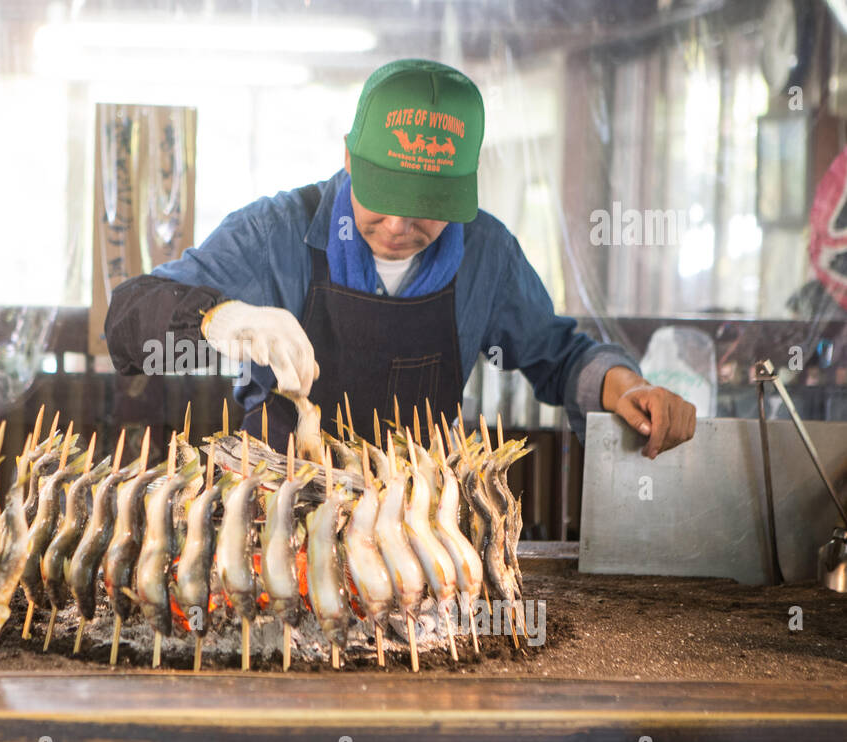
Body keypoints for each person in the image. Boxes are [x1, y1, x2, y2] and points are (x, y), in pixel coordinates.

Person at [105, 58, 696, 458]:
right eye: (381, 200)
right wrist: (222, 317)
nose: (396, 227)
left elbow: (561, 357)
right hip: (273, 509)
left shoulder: (488, 255)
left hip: (415, 531)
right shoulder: (274, 234)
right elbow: (128, 317)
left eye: (425, 210)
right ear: (348, 159)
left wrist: (626, 389)